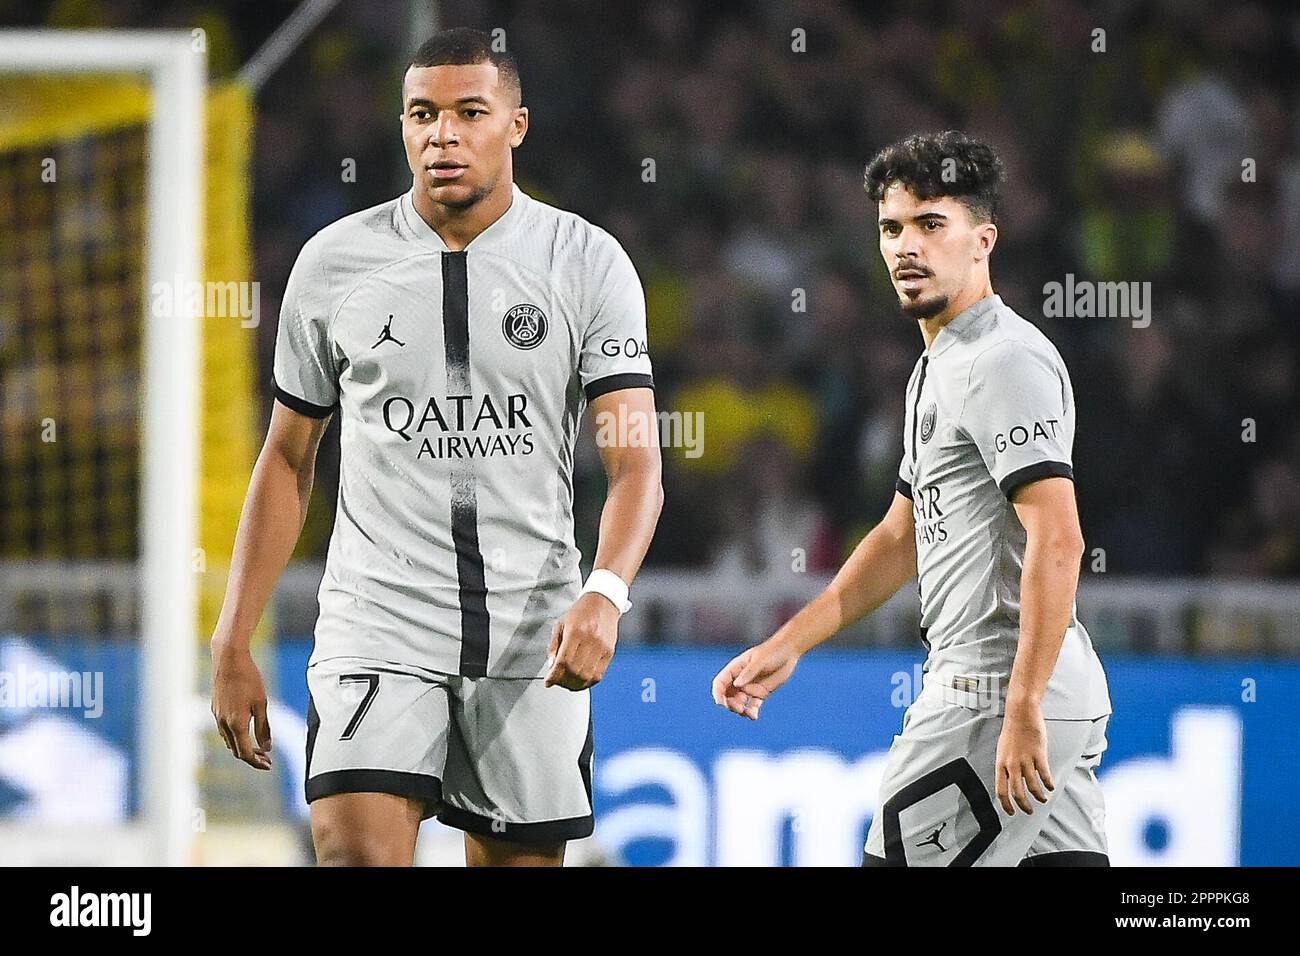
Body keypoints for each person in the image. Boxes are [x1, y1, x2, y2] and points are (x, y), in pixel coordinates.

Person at [211, 27, 662, 867]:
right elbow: (285, 458)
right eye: (422, 114)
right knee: (355, 853)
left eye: (468, 113)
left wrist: (605, 591)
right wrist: (233, 635)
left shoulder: (586, 263)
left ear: (517, 125)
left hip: (533, 633)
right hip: (375, 621)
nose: (442, 135)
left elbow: (636, 460)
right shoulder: (335, 265)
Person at [712, 131, 1112, 866]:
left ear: (982, 240)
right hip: (1038, 691)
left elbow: (1059, 539)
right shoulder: (938, 363)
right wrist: (788, 643)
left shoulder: (1004, 360)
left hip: (992, 692)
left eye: (932, 225)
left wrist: (1021, 705)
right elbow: (902, 537)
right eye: (892, 228)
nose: (907, 247)